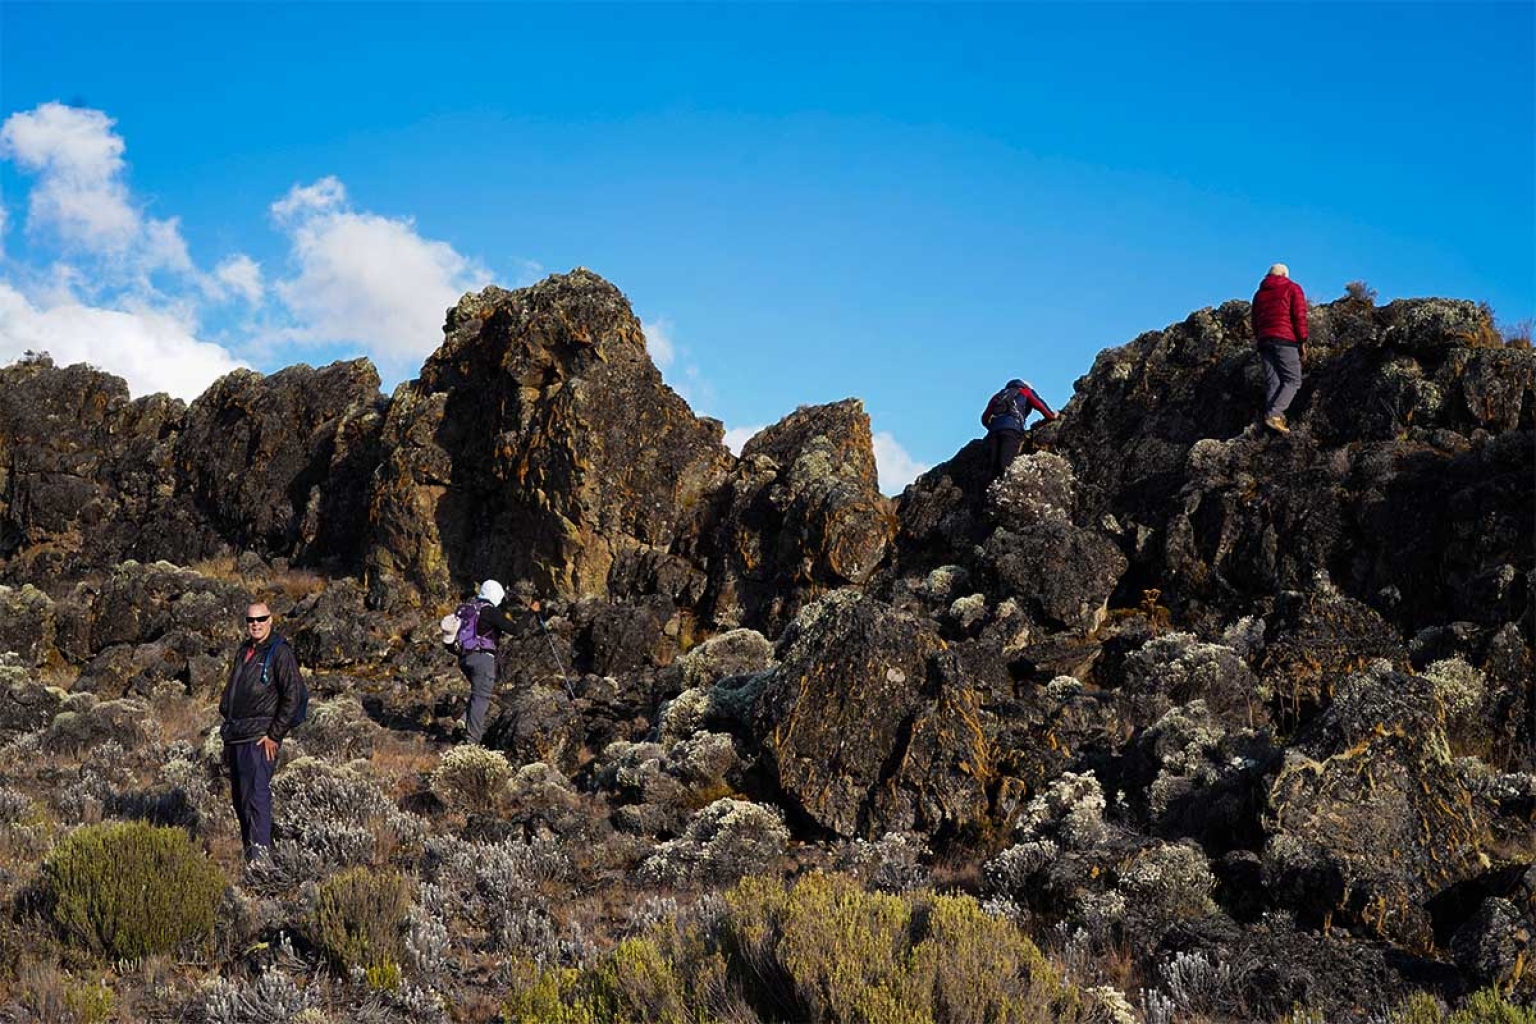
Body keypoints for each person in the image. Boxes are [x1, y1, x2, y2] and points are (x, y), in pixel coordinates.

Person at [218, 601, 300, 861]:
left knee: (256, 800)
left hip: (259, 739)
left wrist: (274, 734)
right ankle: (250, 859)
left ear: (270, 620)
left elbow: (292, 695)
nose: (255, 624)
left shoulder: (279, 652)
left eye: (261, 619)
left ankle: (261, 865)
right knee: (242, 802)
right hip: (237, 736)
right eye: (251, 620)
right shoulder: (244, 651)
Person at [455, 579, 541, 744]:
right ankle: (471, 742)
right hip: (482, 659)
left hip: (465, 658)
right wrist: (531, 612)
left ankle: (464, 719)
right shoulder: (490, 612)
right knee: (481, 697)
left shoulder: (469, 608)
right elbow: (515, 629)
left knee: (477, 693)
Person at [1251, 262, 1309, 434]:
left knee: (1273, 382)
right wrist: (1302, 340)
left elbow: (1254, 321)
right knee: (1293, 380)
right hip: (1285, 340)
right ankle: (1275, 415)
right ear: (1285, 275)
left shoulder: (1259, 294)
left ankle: (1269, 424)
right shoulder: (1292, 288)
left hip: (1264, 341)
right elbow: (1299, 316)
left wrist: (1260, 337)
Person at [981, 378, 1058, 476]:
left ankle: (992, 488)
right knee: (1006, 465)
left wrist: (994, 427)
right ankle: (1006, 488)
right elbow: (1040, 405)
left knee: (992, 468)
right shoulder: (1026, 391)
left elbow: (984, 419)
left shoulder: (999, 395)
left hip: (994, 432)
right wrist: (1052, 416)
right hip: (1012, 430)